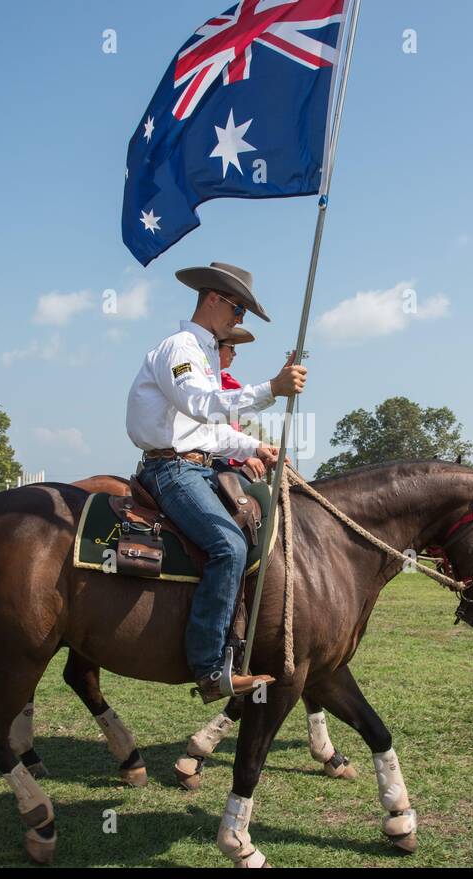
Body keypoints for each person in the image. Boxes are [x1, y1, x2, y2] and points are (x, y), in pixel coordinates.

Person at [126, 262, 307, 703]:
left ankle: (241, 639)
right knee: (229, 546)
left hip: (197, 464)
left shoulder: (204, 352)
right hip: (170, 470)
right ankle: (209, 668)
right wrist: (272, 388)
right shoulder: (181, 347)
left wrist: (252, 448)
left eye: (243, 311)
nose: (239, 319)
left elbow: (208, 431)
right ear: (213, 298)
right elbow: (203, 403)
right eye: (238, 308)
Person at [217, 325, 268, 479]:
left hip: (227, 456)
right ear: (215, 348)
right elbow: (214, 431)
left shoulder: (226, 383)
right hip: (211, 458)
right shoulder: (203, 386)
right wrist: (246, 456)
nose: (235, 354)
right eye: (231, 348)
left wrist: (255, 451)